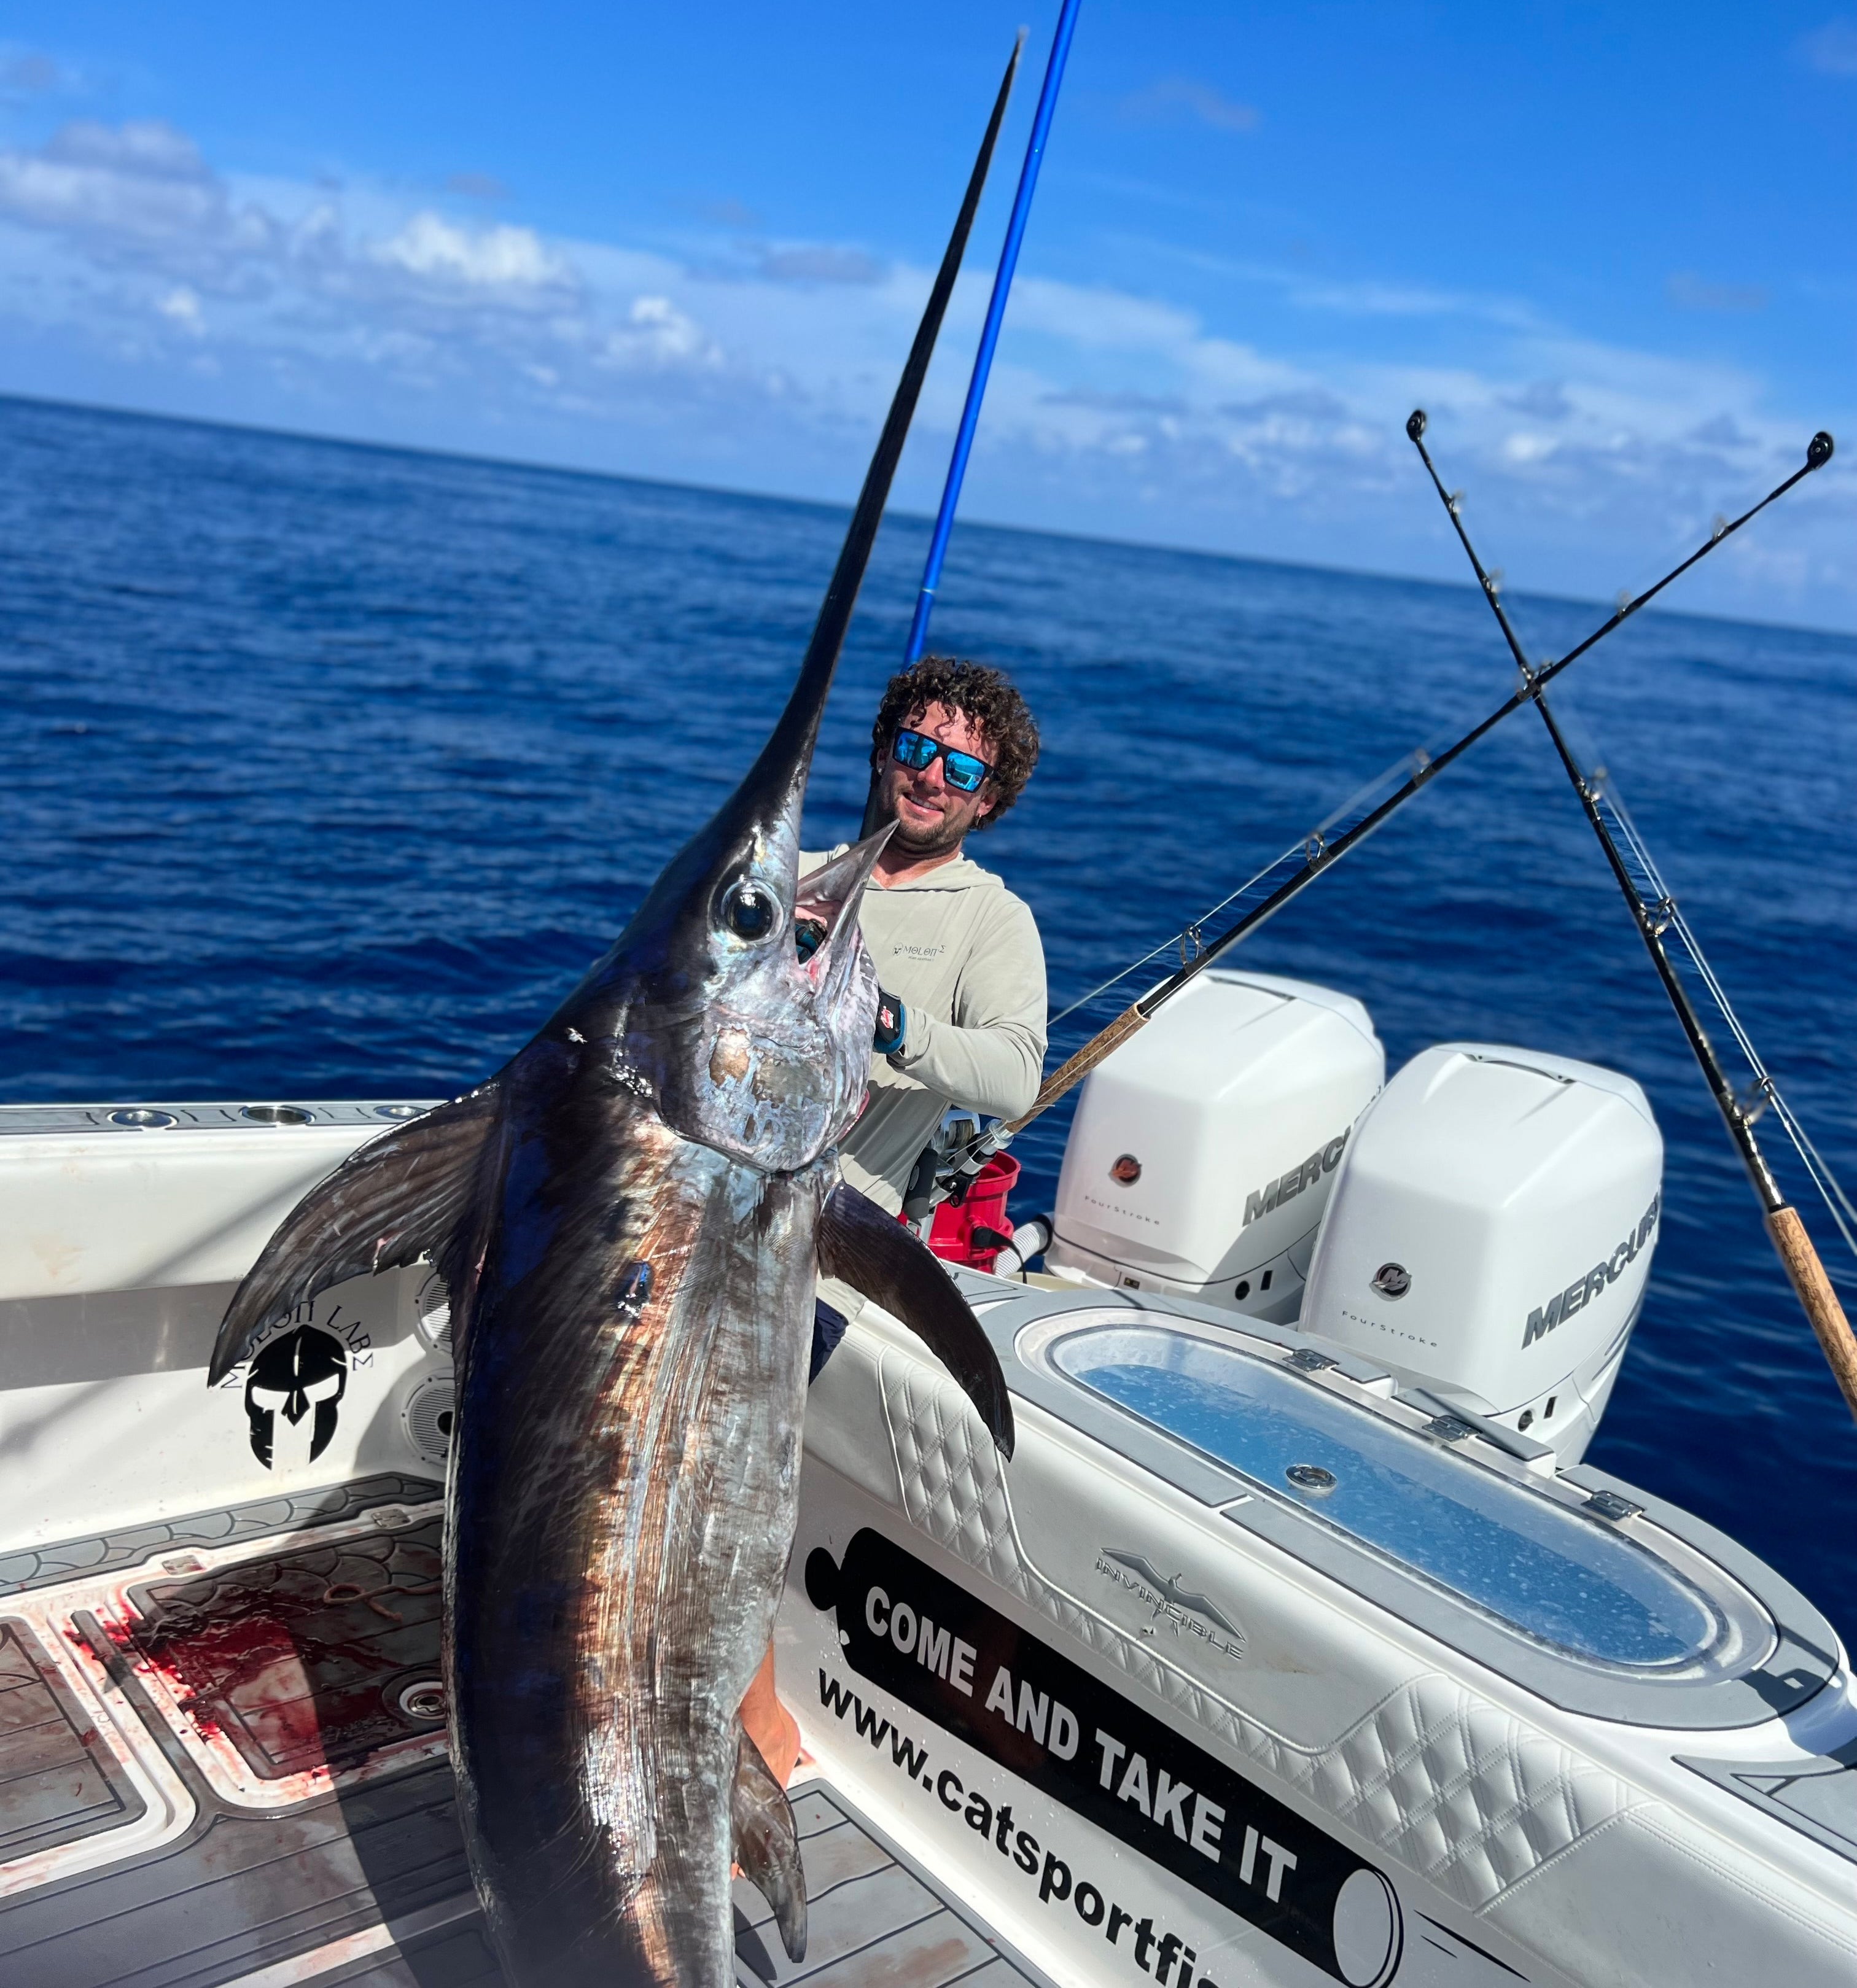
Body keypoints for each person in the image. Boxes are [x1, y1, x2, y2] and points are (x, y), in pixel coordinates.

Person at [741, 654, 1047, 1785]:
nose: (928, 775)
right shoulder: (807, 875)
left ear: (989, 794)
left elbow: (1015, 1071)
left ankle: (758, 1721)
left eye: (958, 764)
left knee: (733, 1493)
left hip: (817, 1243)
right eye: (913, 748)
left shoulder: (993, 918)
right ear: (884, 754)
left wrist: (894, 1021)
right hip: (718, 1207)